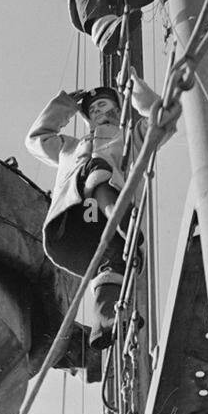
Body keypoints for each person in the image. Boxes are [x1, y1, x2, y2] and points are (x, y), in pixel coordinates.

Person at [25, 76, 162, 350]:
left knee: (111, 265)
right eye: (94, 109)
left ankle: (107, 320)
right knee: (97, 167)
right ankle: (120, 219)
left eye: (105, 105)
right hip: (74, 218)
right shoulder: (70, 147)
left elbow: (163, 117)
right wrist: (64, 105)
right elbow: (36, 139)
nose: (100, 112)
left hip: (93, 235)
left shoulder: (130, 138)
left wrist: (136, 91)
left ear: (118, 109)